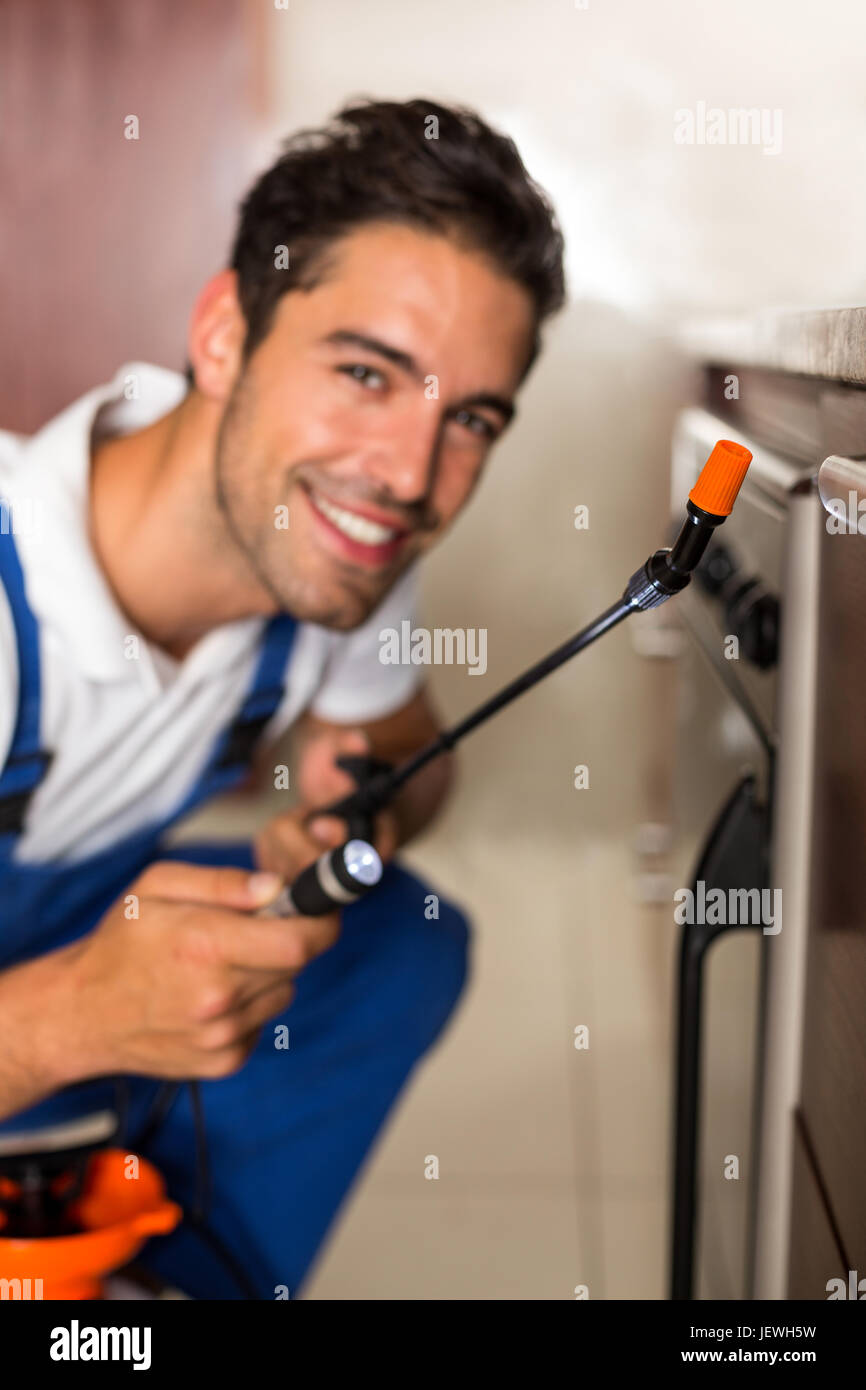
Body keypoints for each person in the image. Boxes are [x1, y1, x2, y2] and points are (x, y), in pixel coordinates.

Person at [0, 97, 565, 1297]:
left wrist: (361, 804)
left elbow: (401, 738)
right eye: (366, 372)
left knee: (391, 947)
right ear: (222, 334)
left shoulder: (339, 549)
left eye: (468, 418)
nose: (410, 477)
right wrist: (59, 1024)